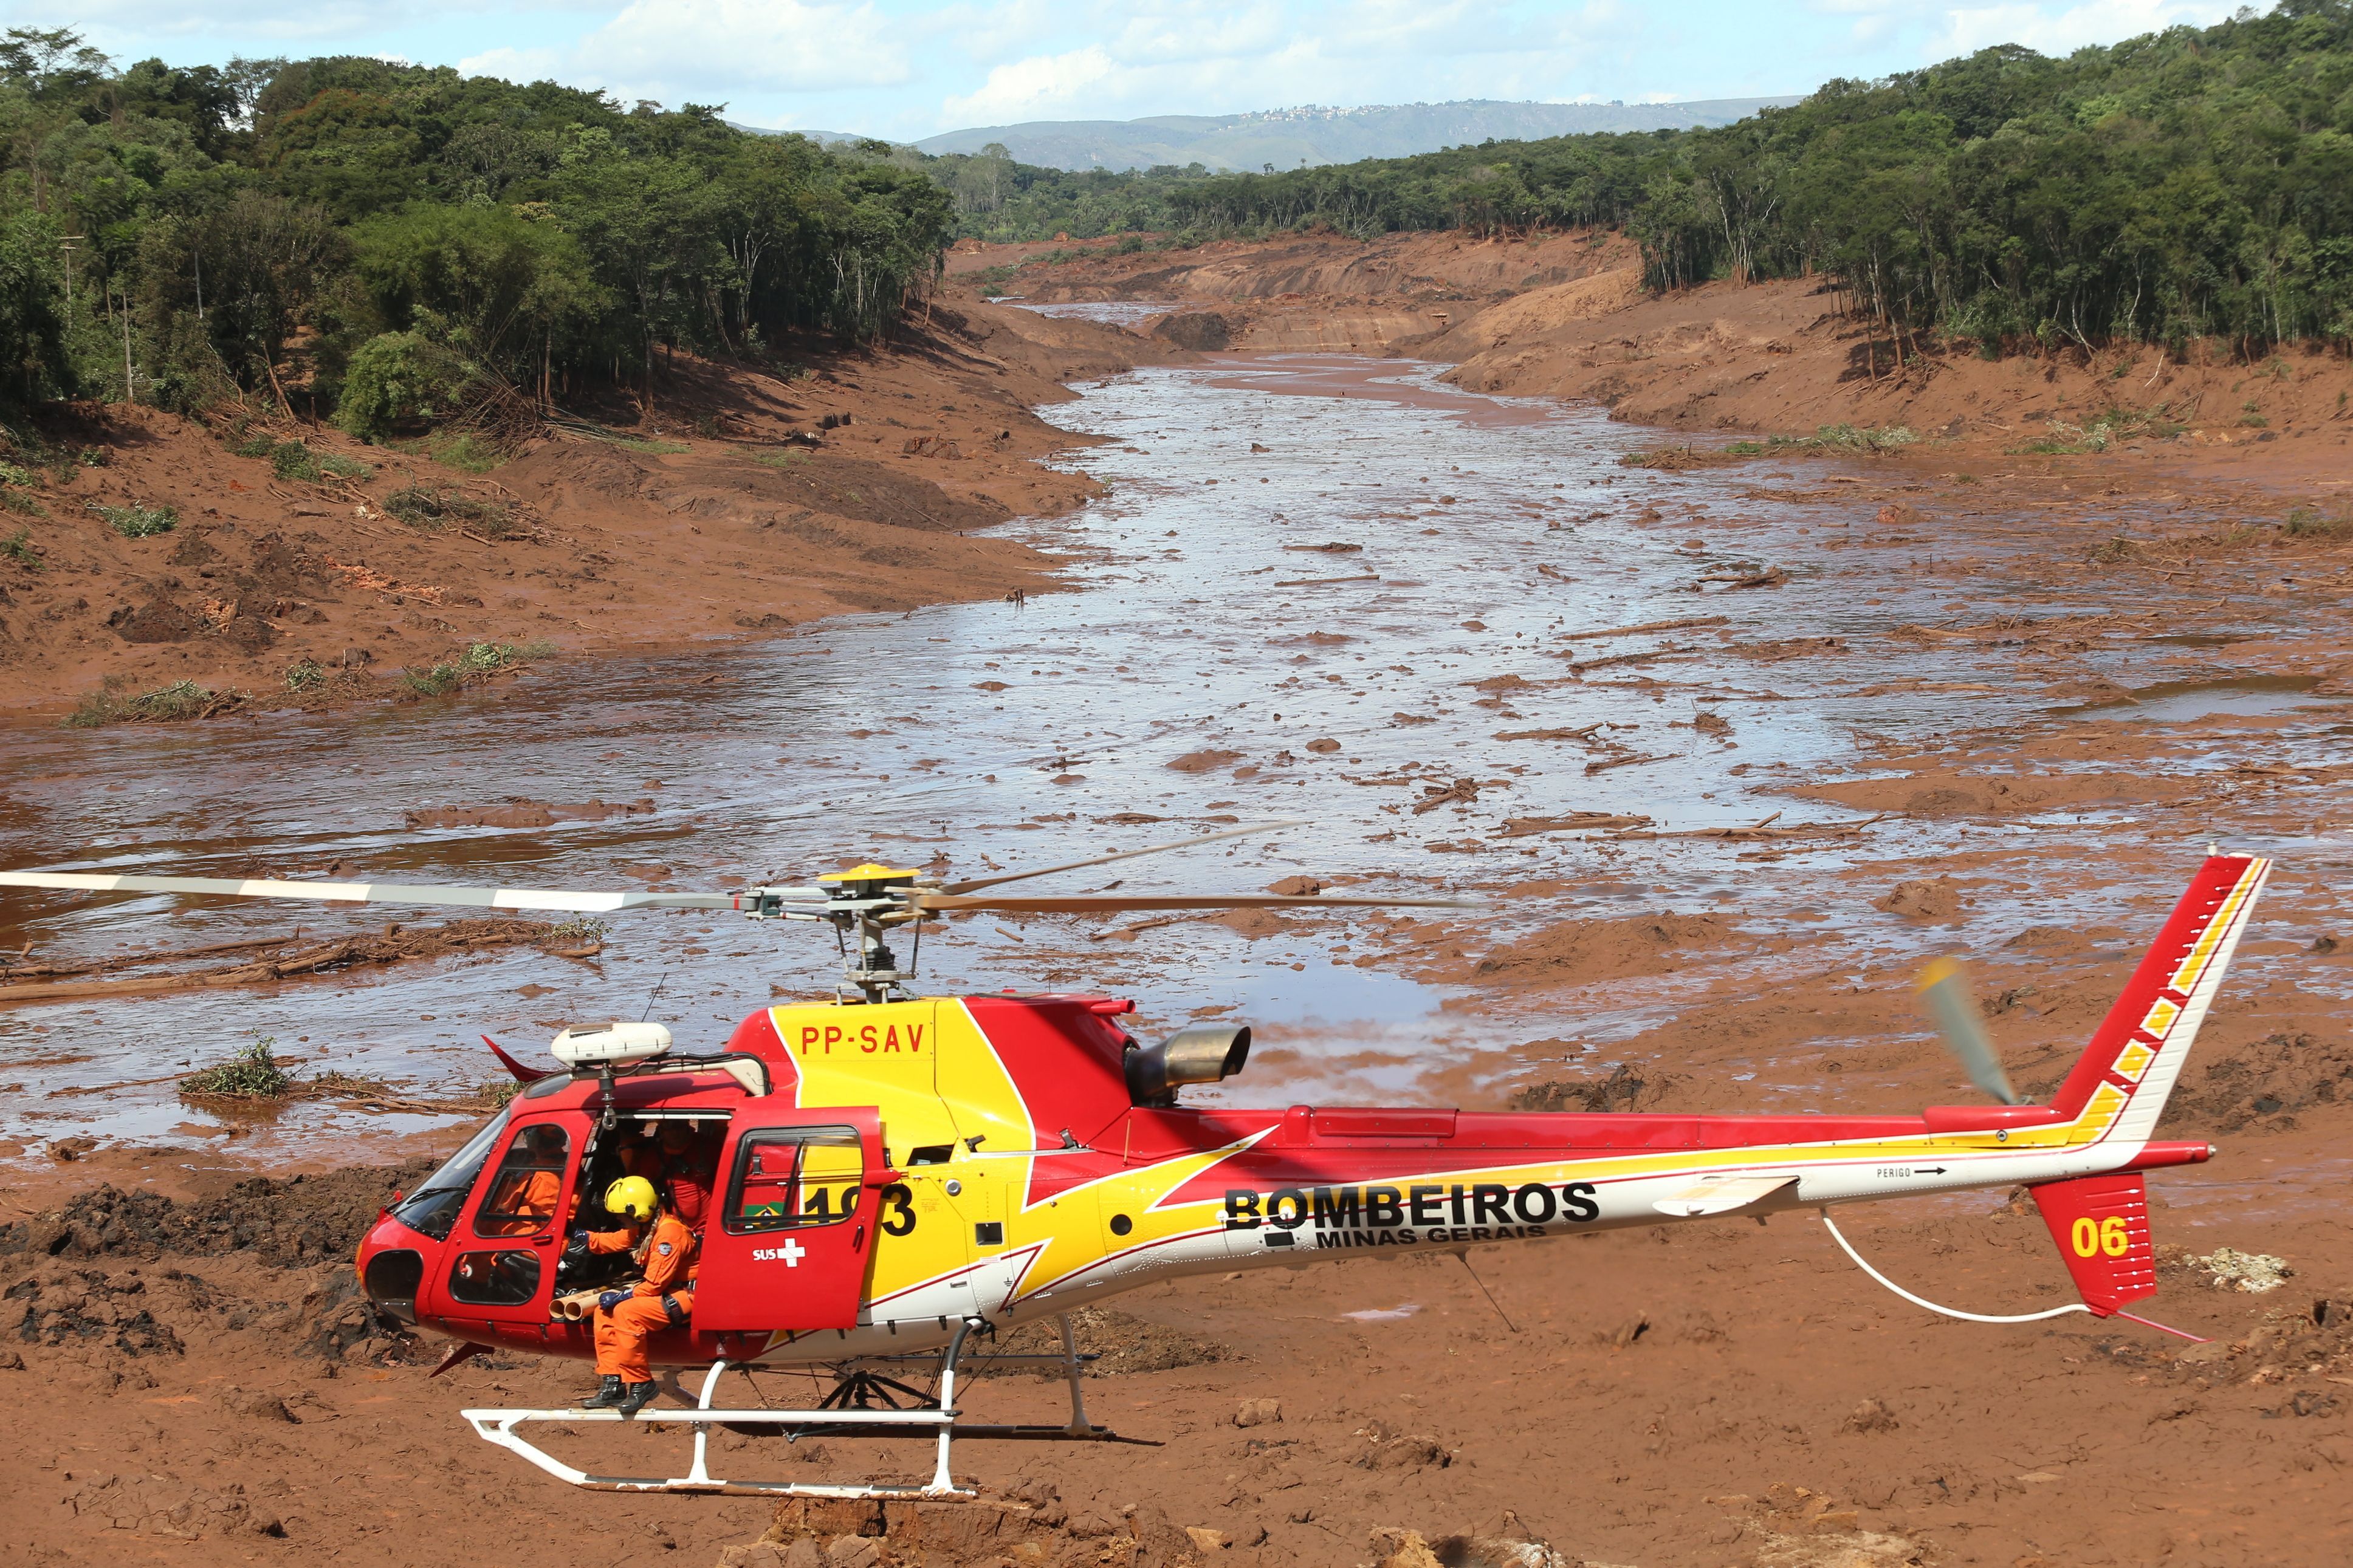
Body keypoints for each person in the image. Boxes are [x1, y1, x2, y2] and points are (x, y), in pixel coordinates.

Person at [579, 1175, 698, 1416]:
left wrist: (622, 1296)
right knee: (604, 1312)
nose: (619, 1220)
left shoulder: (668, 1236)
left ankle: (642, 1383)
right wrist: (586, 1238)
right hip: (669, 1289)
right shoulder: (647, 1228)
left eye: (622, 1215)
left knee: (626, 1313)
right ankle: (612, 1382)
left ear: (637, 1211)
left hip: (691, 1294)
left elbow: (654, 1285)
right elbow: (618, 1240)